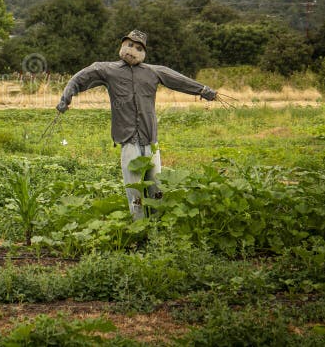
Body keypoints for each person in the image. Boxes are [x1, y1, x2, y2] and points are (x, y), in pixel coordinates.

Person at [56, 29, 217, 220]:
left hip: (151, 140)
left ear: (144, 52)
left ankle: (157, 225)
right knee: (134, 191)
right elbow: (80, 78)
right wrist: (66, 98)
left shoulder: (153, 72)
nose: (133, 50)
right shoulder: (107, 69)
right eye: (130, 44)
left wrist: (205, 91)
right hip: (128, 140)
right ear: (123, 45)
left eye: (138, 47)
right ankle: (138, 226)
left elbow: (179, 80)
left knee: (156, 188)